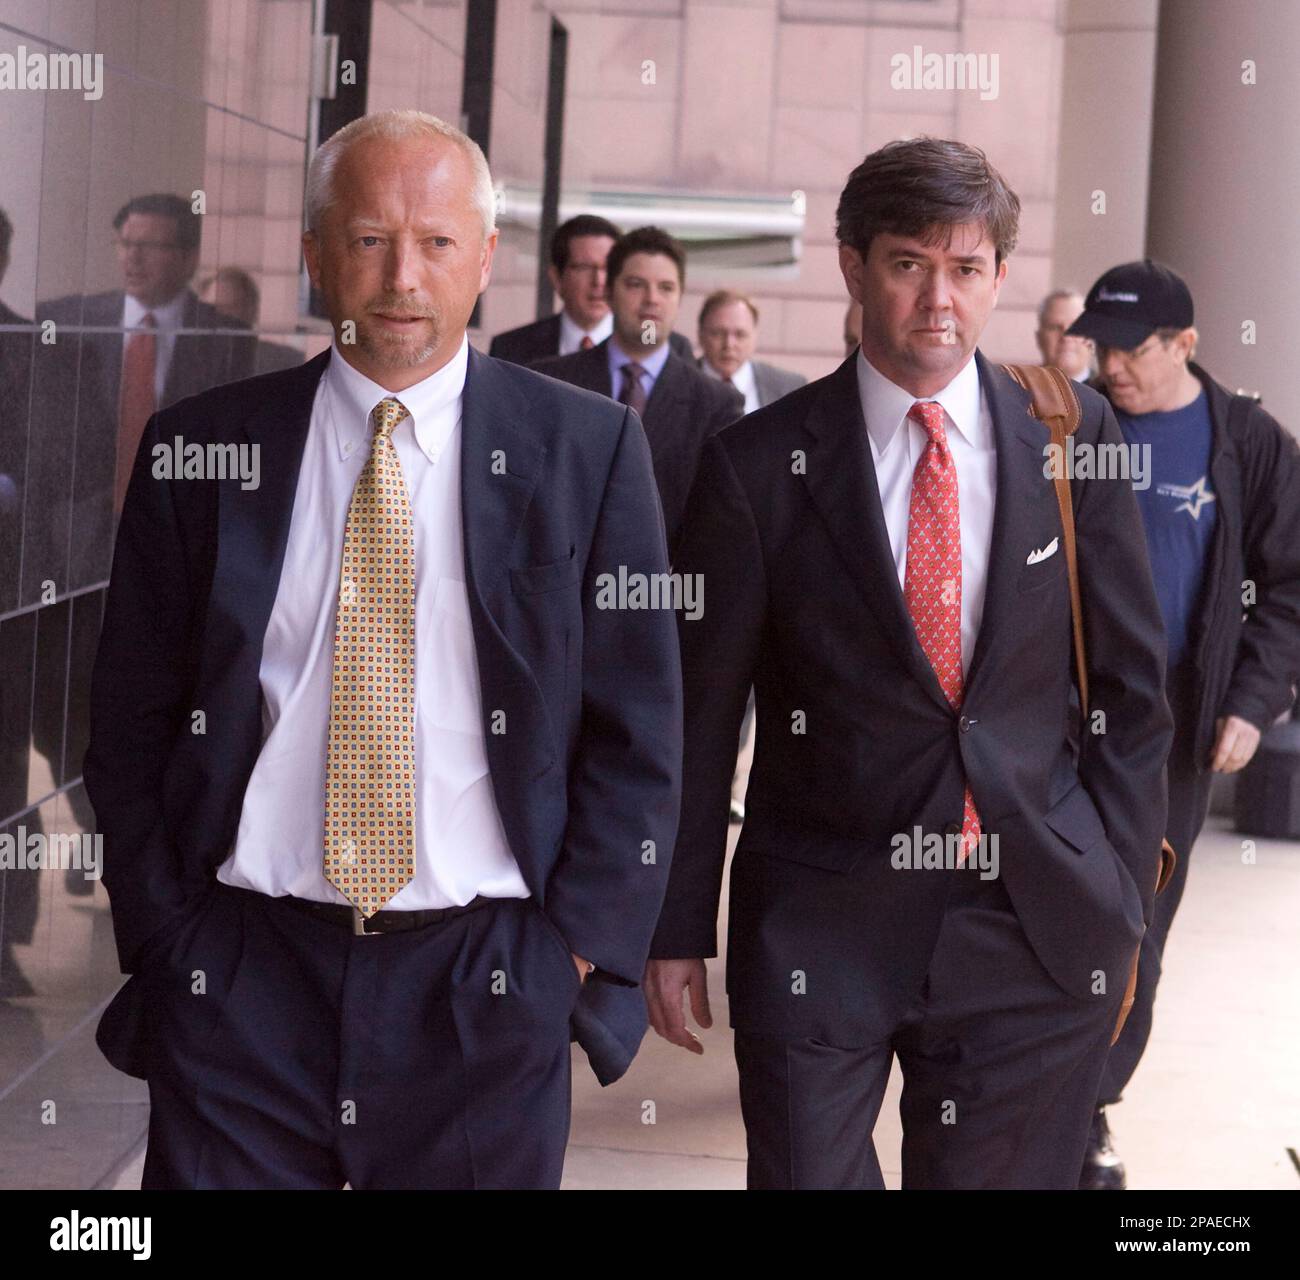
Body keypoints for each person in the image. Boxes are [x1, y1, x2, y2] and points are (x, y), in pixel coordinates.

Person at [85, 109, 682, 1190]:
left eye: (438, 241)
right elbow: (127, 716)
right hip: (242, 974)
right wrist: (169, 934)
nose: (403, 274)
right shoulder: (203, 448)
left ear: (486, 259)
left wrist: (571, 954)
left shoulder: (588, 450)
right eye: (367, 239)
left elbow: (639, 731)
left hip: (485, 984)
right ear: (315, 255)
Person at [644, 137, 1173, 1190]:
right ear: (851, 265)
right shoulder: (754, 467)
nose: (939, 298)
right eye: (907, 263)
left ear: (997, 279)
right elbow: (699, 718)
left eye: (966, 268)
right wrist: (672, 922)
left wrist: (1116, 892)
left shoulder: (1072, 439)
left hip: (1027, 919)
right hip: (819, 919)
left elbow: (1130, 693)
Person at [1068, 258, 1300, 1189]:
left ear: (1185, 346)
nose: (1111, 364)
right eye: (1100, 345)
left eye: (1130, 348)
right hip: (1054, 720)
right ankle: (1041, 1095)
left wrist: (1252, 700)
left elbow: (1288, 588)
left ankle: (1092, 1105)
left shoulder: (1246, 440)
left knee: (1137, 926)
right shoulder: (1065, 419)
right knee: (1038, 912)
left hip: (1173, 733)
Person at [37, 194, 255, 516]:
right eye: (124, 244)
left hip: (177, 521)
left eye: (149, 247)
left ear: (189, 259)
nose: (132, 258)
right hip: (77, 527)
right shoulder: (65, 321)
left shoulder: (227, 339)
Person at [534, 226, 742, 562]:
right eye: (635, 285)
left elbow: (718, 525)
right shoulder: (551, 382)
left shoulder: (717, 404)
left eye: (666, 287)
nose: (652, 299)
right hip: (567, 588)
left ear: (679, 298)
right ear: (611, 293)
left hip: (664, 594)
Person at [489, 213, 691, 364]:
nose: (599, 281)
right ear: (557, 278)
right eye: (585, 268)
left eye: (607, 269)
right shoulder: (512, 349)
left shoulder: (673, 348)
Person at [696, 289, 805, 414]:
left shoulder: (789, 387)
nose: (729, 345)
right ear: (700, 335)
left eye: (740, 335)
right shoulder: (679, 384)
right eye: (718, 334)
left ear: (754, 336)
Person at [198, 265, 302, 373]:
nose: (221, 316)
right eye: (212, 309)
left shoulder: (287, 362)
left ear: (252, 310)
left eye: (230, 308)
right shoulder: (188, 361)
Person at [1035, 287, 1093, 381]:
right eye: (1055, 327)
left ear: (1091, 338)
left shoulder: (1110, 393)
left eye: (1076, 326)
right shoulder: (1017, 391)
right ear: (1039, 338)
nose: (1066, 336)